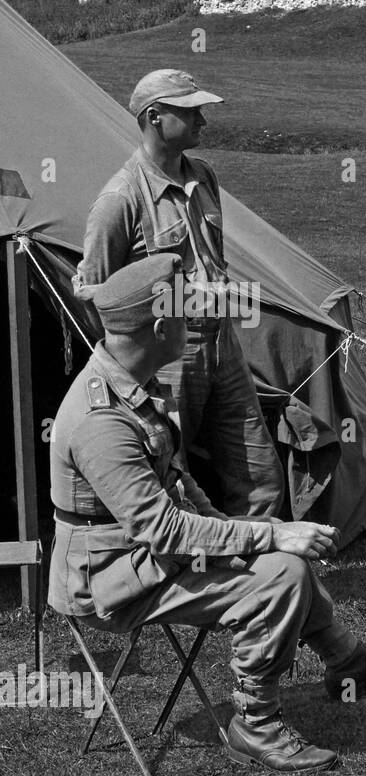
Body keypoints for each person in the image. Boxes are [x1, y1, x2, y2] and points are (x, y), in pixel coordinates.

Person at [48, 255, 366, 774]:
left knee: (281, 548)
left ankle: (344, 658)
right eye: (184, 309)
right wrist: (265, 538)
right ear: (159, 327)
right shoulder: (101, 421)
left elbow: (181, 484)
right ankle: (255, 723)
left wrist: (252, 533)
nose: (197, 316)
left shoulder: (137, 383)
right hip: (109, 583)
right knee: (281, 571)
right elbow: (162, 528)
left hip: (147, 559)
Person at [75, 68, 283, 520]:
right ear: (154, 116)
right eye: (191, 113)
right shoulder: (120, 199)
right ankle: (193, 575)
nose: (203, 123)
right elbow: (95, 295)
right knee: (172, 472)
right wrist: (136, 358)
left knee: (258, 468)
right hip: (166, 354)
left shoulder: (203, 176)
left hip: (222, 341)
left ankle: (263, 567)